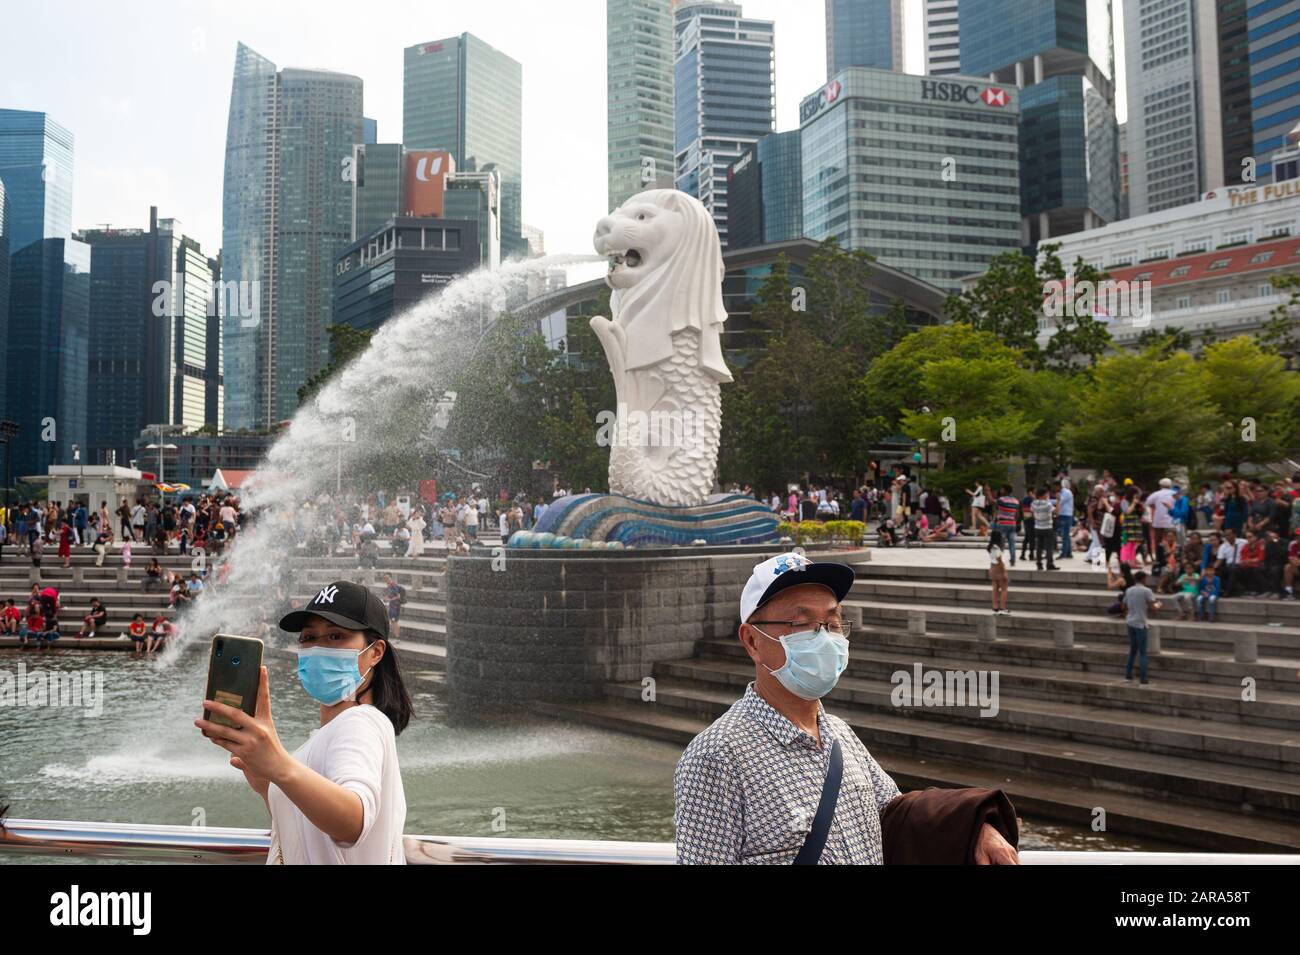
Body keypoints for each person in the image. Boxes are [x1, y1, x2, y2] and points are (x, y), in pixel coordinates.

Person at [673, 552, 1020, 865]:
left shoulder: (840, 734)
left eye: (833, 623)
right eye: (802, 624)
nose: (823, 637)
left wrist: (975, 829)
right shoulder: (716, 757)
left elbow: (896, 814)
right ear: (752, 641)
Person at [197, 580, 412, 864]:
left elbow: (352, 823)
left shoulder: (360, 722)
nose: (319, 647)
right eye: (309, 638)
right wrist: (268, 782)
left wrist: (279, 766)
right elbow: (314, 834)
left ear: (376, 652)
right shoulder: (332, 733)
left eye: (336, 637)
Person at [1122, 570, 1160, 685]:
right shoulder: (1146, 591)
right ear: (1143, 579)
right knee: (1143, 652)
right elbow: (1153, 607)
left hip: (1130, 622)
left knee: (1132, 650)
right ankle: (1143, 678)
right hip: (1140, 623)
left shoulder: (1129, 590)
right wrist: (1159, 605)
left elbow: (1123, 605)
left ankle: (1128, 675)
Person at [1031, 487, 1058, 571]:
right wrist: (1059, 501)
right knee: (1049, 547)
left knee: (1039, 546)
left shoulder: (1033, 504)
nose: (1048, 495)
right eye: (1047, 494)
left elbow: (1032, 511)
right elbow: (1056, 511)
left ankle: (1039, 564)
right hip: (1047, 527)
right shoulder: (1048, 504)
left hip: (1038, 527)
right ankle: (1049, 564)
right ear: (1044, 495)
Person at [993, 485, 1020, 567]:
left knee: (1000, 543)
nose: (1001, 491)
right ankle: (1013, 560)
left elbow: (992, 502)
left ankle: (999, 560)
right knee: (1012, 543)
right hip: (1012, 524)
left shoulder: (1002, 500)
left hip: (1003, 524)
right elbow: (1017, 514)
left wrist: (987, 493)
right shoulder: (1016, 501)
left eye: (1002, 489)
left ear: (1005, 490)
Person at [988, 529, 1010, 615]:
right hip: (998, 568)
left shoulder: (990, 547)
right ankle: (1003, 607)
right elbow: (999, 560)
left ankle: (995, 607)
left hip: (992, 568)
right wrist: (1004, 571)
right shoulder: (997, 548)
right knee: (1004, 589)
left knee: (995, 588)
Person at [1056, 478, 1075, 560]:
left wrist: (1048, 501)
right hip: (1064, 515)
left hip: (1065, 515)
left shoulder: (1066, 492)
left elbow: (1060, 502)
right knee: (1066, 535)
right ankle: (1068, 553)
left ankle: (1064, 553)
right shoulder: (1064, 492)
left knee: (1064, 535)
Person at [384, 575, 406, 639]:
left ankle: (397, 637)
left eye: (387, 578)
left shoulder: (393, 585)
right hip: (393, 606)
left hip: (395, 607)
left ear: (390, 578)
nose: (386, 580)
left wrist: (389, 599)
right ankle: (395, 636)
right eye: (385, 578)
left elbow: (398, 596)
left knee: (395, 622)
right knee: (393, 622)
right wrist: (387, 598)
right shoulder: (390, 586)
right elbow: (392, 595)